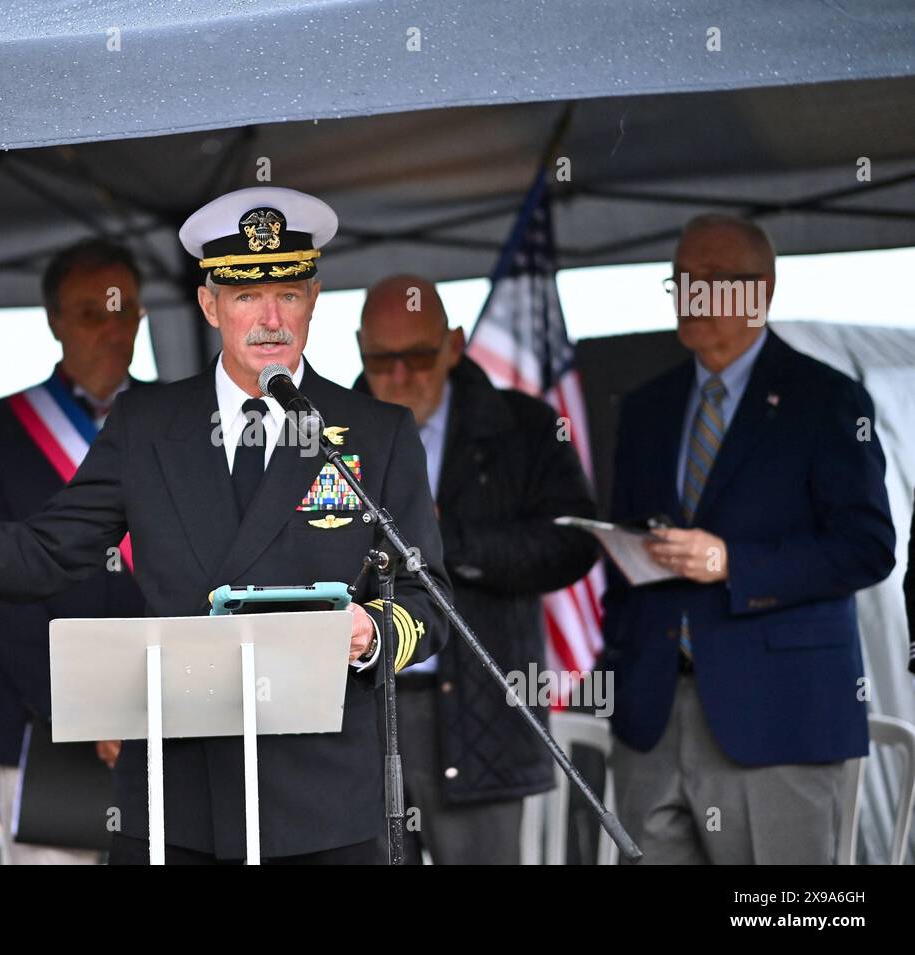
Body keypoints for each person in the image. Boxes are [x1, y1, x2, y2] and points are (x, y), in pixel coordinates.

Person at [0, 186, 451, 864]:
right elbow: (42, 553)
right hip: (177, 805)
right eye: (245, 297)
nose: (270, 317)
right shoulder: (147, 425)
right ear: (209, 304)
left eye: (288, 293)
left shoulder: (378, 434)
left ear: (315, 298)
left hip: (325, 808)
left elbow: (428, 599)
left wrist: (372, 632)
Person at [602, 214, 895, 863]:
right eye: (679, 279)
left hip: (777, 716)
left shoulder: (827, 399)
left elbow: (868, 545)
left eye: (710, 279)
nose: (690, 294)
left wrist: (735, 562)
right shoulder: (647, 406)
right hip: (652, 715)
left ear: (761, 291)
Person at [358, 274, 597, 862]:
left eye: (417, 355)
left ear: (454, 344)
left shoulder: (523, 427)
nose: (399, 375)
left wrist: (446, 540)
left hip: (481, 704)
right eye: (380, 359)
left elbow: (572, 544)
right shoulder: (331, 432)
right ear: (358, 347)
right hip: (366, 703)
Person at [0, 238, 148, 863]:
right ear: (54, 321)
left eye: (126, 311)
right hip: (45, 723)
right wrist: (86, 707)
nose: (114, 328)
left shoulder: (190, 418)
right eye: (94, 313)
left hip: (172, 717)